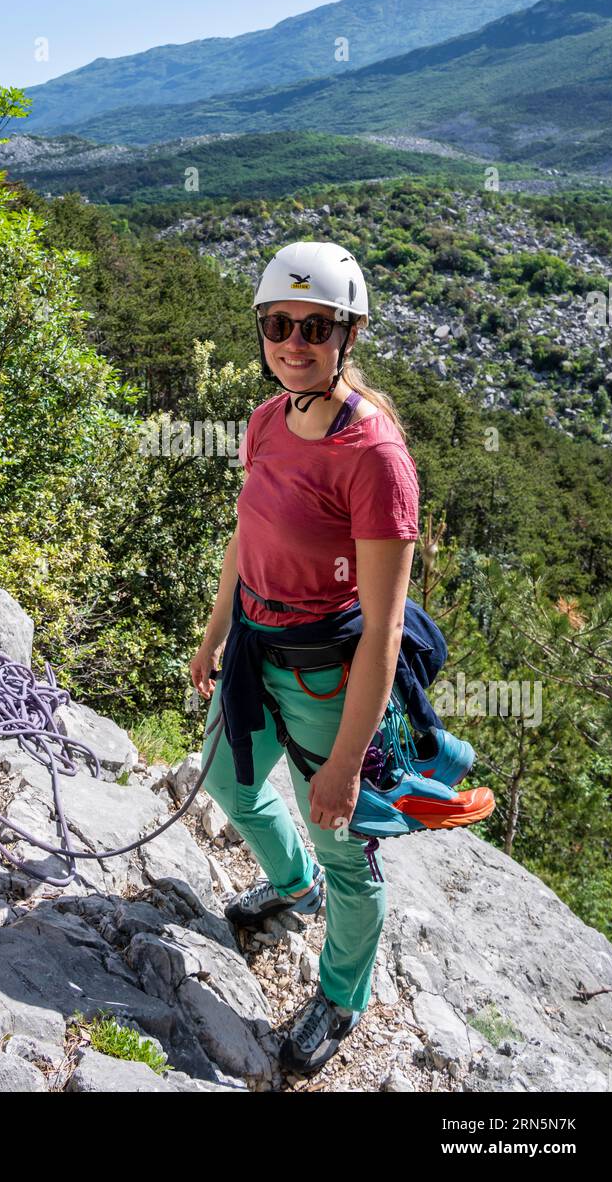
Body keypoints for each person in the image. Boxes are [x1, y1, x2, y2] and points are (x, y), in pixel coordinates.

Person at [189, 240, 420, 1078]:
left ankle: (340, 996)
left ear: (347, 336)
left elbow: (386, 630)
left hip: (326, 668)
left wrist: (347, 764)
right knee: (225, 781)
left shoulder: (374, 458)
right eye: (278, 323)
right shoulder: (266, 419)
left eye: (314, 326)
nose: (294, 341)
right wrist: (216, 629)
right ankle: (292, 888)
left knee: (346, 844)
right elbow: (247, 532)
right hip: (255, 644)